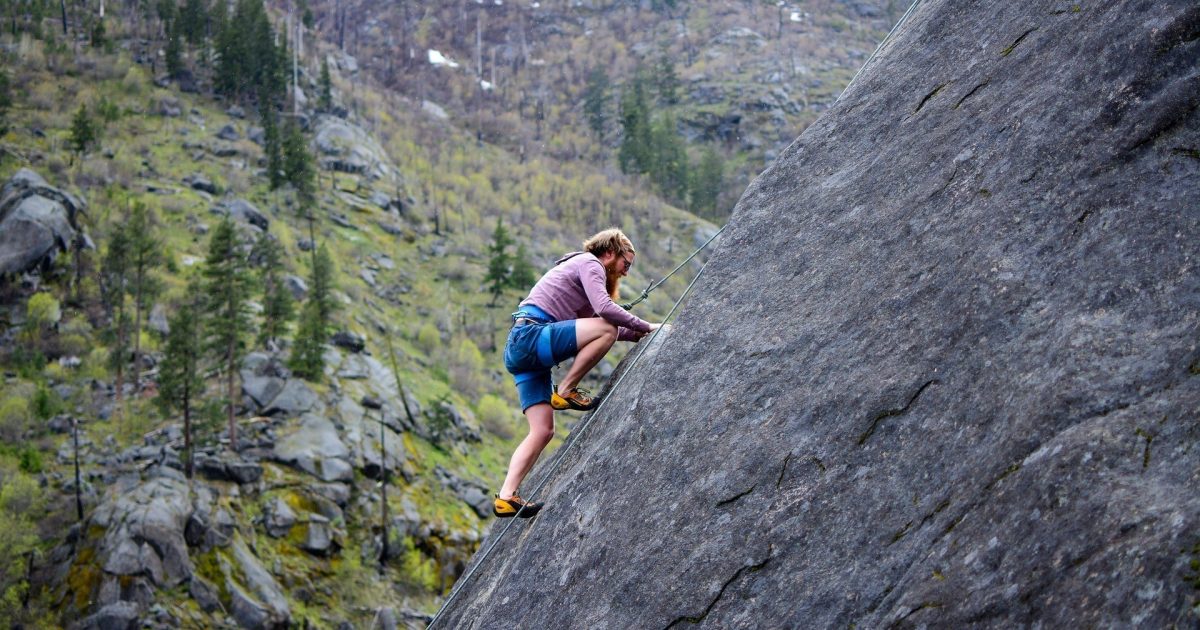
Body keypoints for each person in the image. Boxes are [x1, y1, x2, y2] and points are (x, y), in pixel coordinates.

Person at [494, 228, 661, 518]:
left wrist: (640, 334)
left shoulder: (578, 275)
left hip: (523, 351)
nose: (625, 273)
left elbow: (595, 325)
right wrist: (645, 326)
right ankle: (567, 389)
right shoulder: (590, 263)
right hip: (532, 337)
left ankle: (506, 496)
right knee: (606, 327)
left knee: (543, 430)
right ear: (610, 253)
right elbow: (605, 312)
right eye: (626, 264)